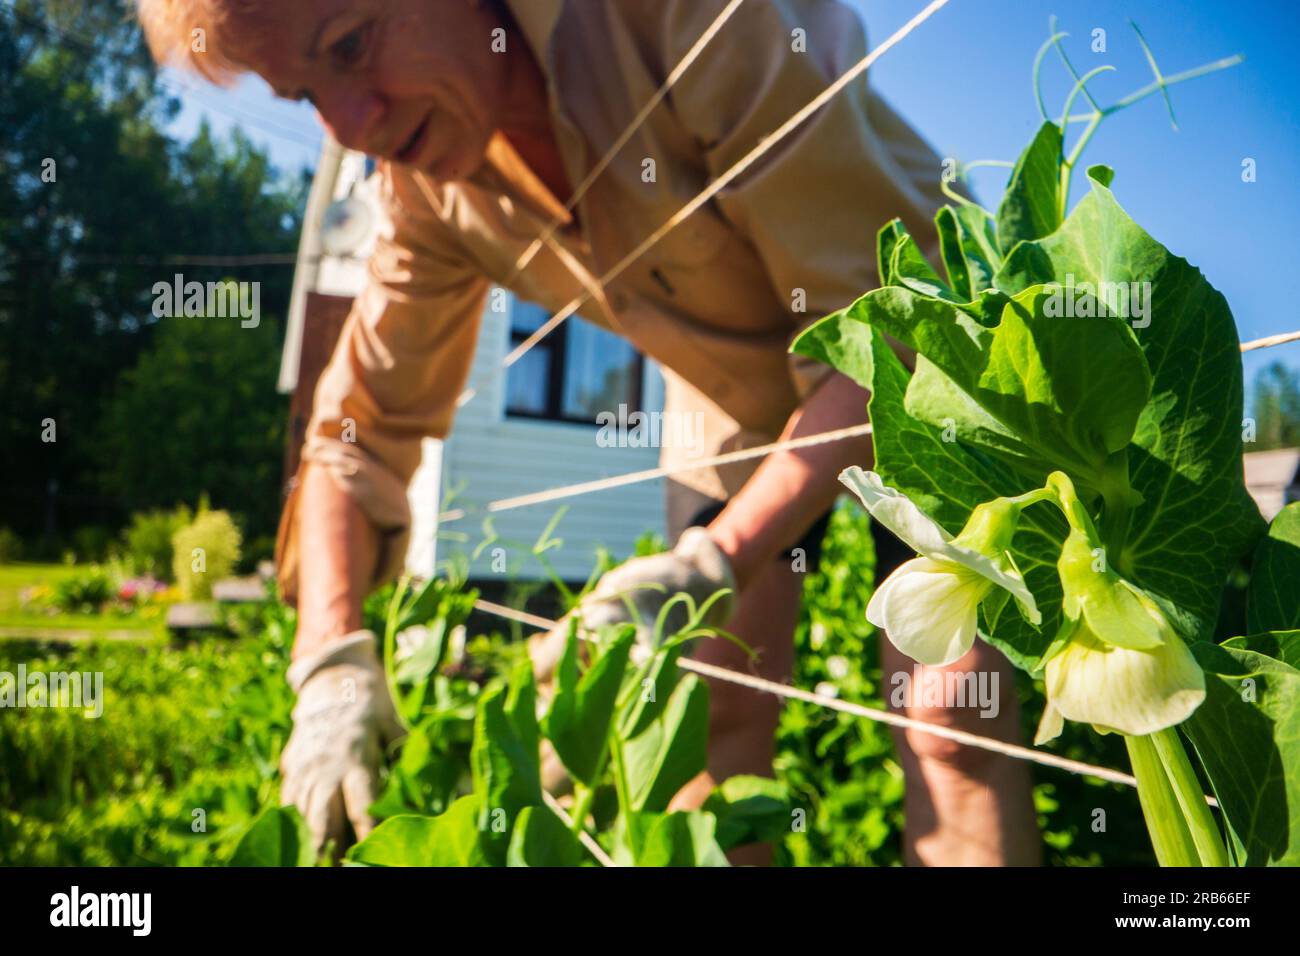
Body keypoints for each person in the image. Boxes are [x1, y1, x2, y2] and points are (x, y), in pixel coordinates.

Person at [137, 0, 1040, 865]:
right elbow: (352, 440)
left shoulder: (677, 16)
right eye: (303, 95)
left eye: (349, 45)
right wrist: (329, 668)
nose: (350, 123)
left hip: (923, 336)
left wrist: (714, 559)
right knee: (707, 707)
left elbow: (885, 327)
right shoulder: (425, 193)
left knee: (952, 715)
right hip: (733, 398)